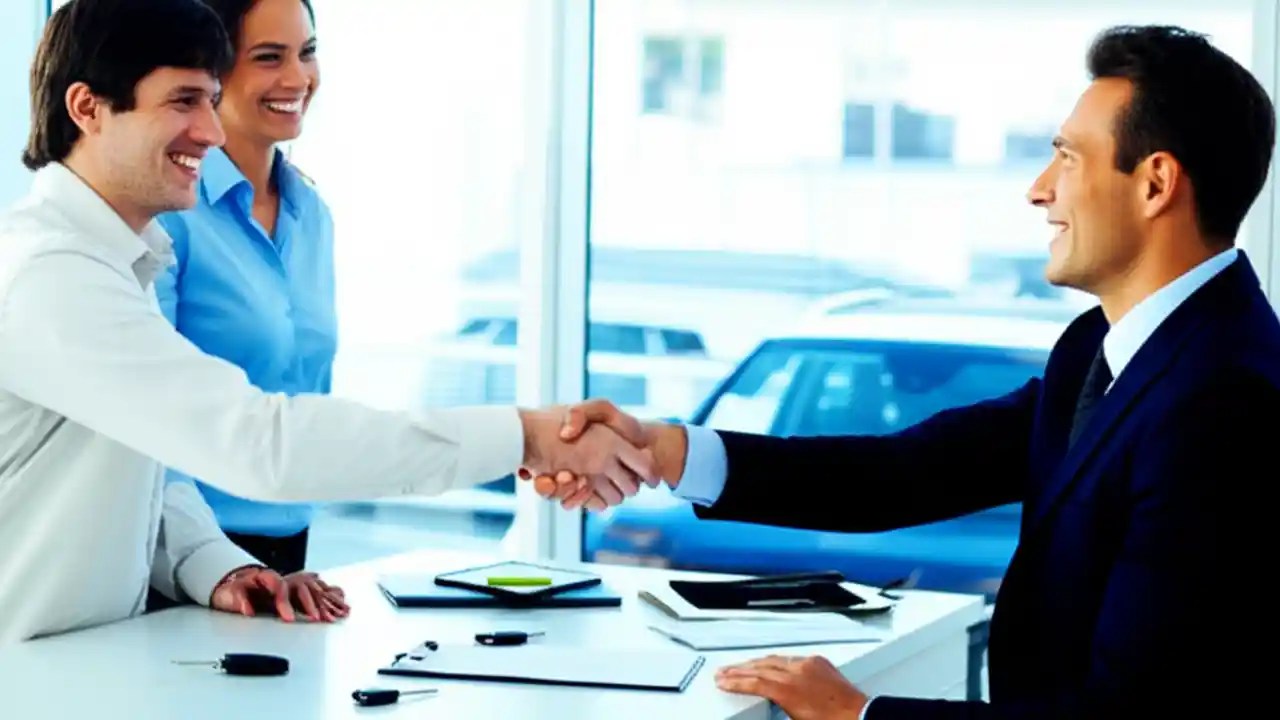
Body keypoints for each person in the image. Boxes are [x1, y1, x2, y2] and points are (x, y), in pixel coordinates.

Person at [533, 24, 1276, 719]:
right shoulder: (1101, 347)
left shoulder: (1225, 400)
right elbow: (906, 471)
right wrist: (666, 451)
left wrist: (861, 712)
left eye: (1069, 156)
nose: (1039, 188)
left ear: (1155, 184)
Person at [0, 0, 651, 647]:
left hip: (76, 667)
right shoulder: (50, 273)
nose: (213, 131)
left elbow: (143, 464)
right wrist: (526, 437)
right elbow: (259, 443)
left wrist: (218, 563)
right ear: (87, 108)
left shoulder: (114, 261)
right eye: (183, 102)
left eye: (211, 100)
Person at [152, 0, 329, 579]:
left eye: (307, 52)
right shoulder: (170, 217)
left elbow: (306, 399)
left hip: (291, 543)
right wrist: (215, 564)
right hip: (187, 553)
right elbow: (149, 417)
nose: (297, 78)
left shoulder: (312, 214)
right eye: (268, 58)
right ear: (213, 74)